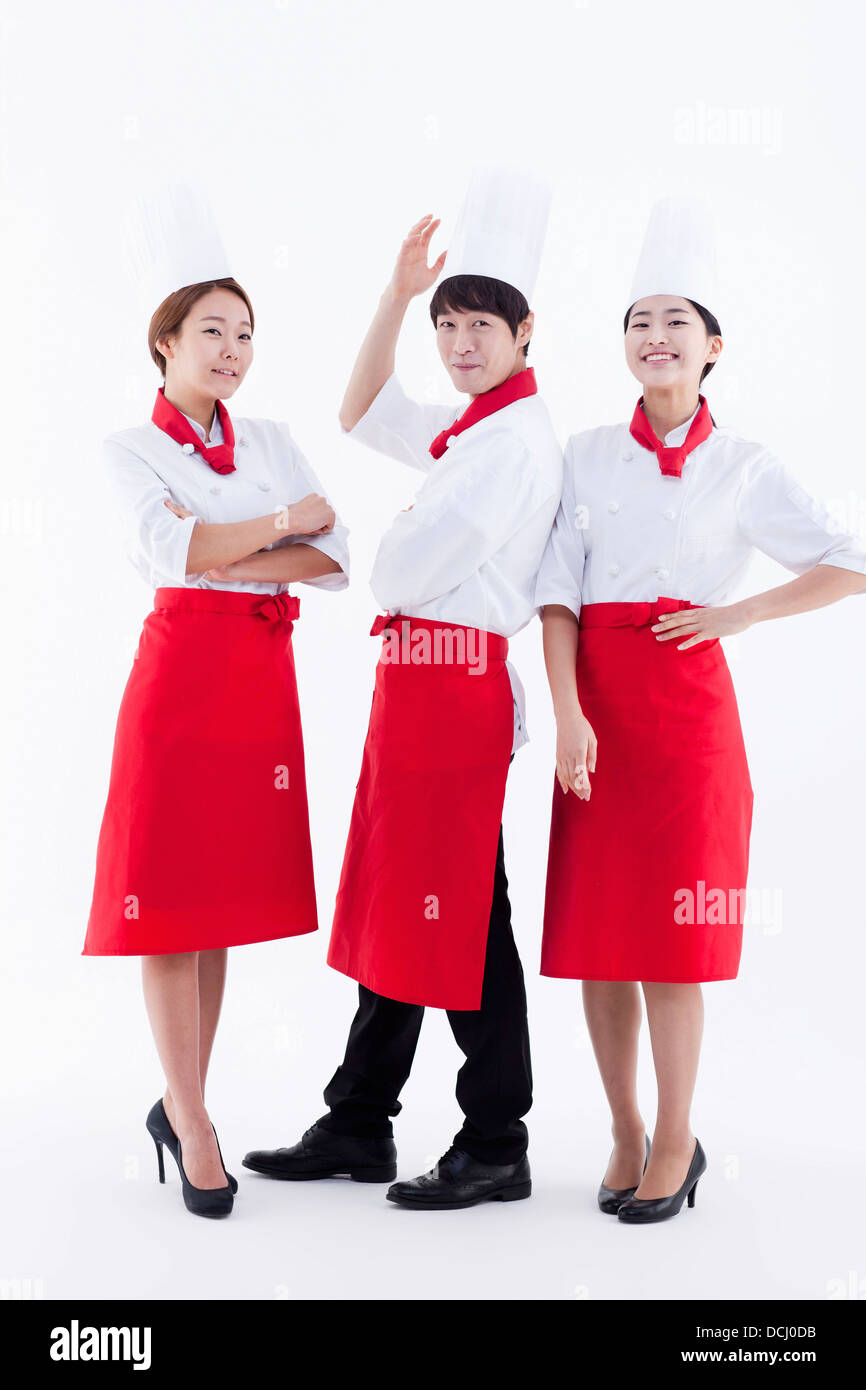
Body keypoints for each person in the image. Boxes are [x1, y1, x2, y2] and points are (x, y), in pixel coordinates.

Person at [535, 197, 866, 1224]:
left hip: (685, 717)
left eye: (674, 320)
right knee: (597, 936)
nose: (654, 337)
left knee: (671, 938)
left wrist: (737, 613)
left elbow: (846, 559)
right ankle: (623, 1127)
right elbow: (554, 594)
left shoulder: (743, 464)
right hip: (596, 703)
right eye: (637, 321)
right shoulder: (582, 454)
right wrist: (565, 715)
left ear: (711, 344)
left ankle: (676, 1135)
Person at [243, 167, 563, 1210]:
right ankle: (358, 1119)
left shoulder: (510, 442)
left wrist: (394, 542)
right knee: (397, 895)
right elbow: (361, 407)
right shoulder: (473, 428)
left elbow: (394, 572)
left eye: (481, 324)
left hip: (454, 689)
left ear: (525, 333)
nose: (460, 343)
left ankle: (494, 1135)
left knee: (465, 913)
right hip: (414, 687)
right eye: (447, 324)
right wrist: (393, 295)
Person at [83, 185, 349, 1219]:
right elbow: (171, 550)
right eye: (212, 331)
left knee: (221, 906)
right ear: (165, 340)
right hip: (178, 687)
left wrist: (236, 544)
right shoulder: (127, 449)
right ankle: (191, 1121)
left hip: (256, 691)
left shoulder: (272, 433)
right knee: (165, 909)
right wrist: (271, 531)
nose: (232, 350)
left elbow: (330, 558)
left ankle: (185, 1100)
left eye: (244, 333)